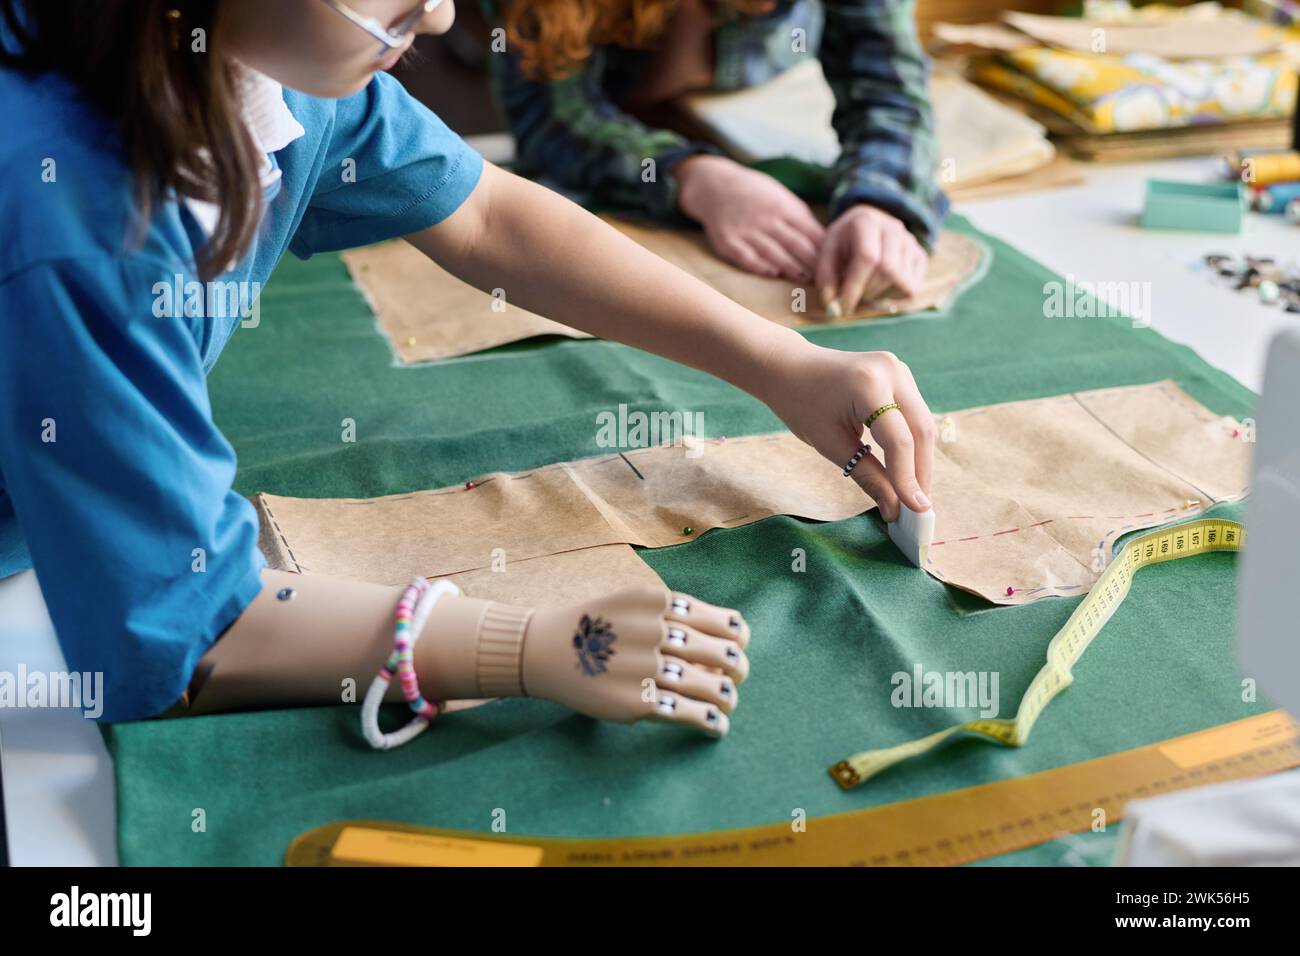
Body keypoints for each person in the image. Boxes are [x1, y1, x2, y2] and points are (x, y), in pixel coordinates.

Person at [0, 0, 933, 736]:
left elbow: (484, 215)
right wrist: (528, 647)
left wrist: (783, 363)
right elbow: (192, 634)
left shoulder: (271, 63)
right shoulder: (79, 221)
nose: (441, 16)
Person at [484, 0, 948, 317]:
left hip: (730, 128)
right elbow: (549, 117)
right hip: (620, 143)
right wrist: (691, 177)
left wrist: (882, 200)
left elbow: (887, 85)